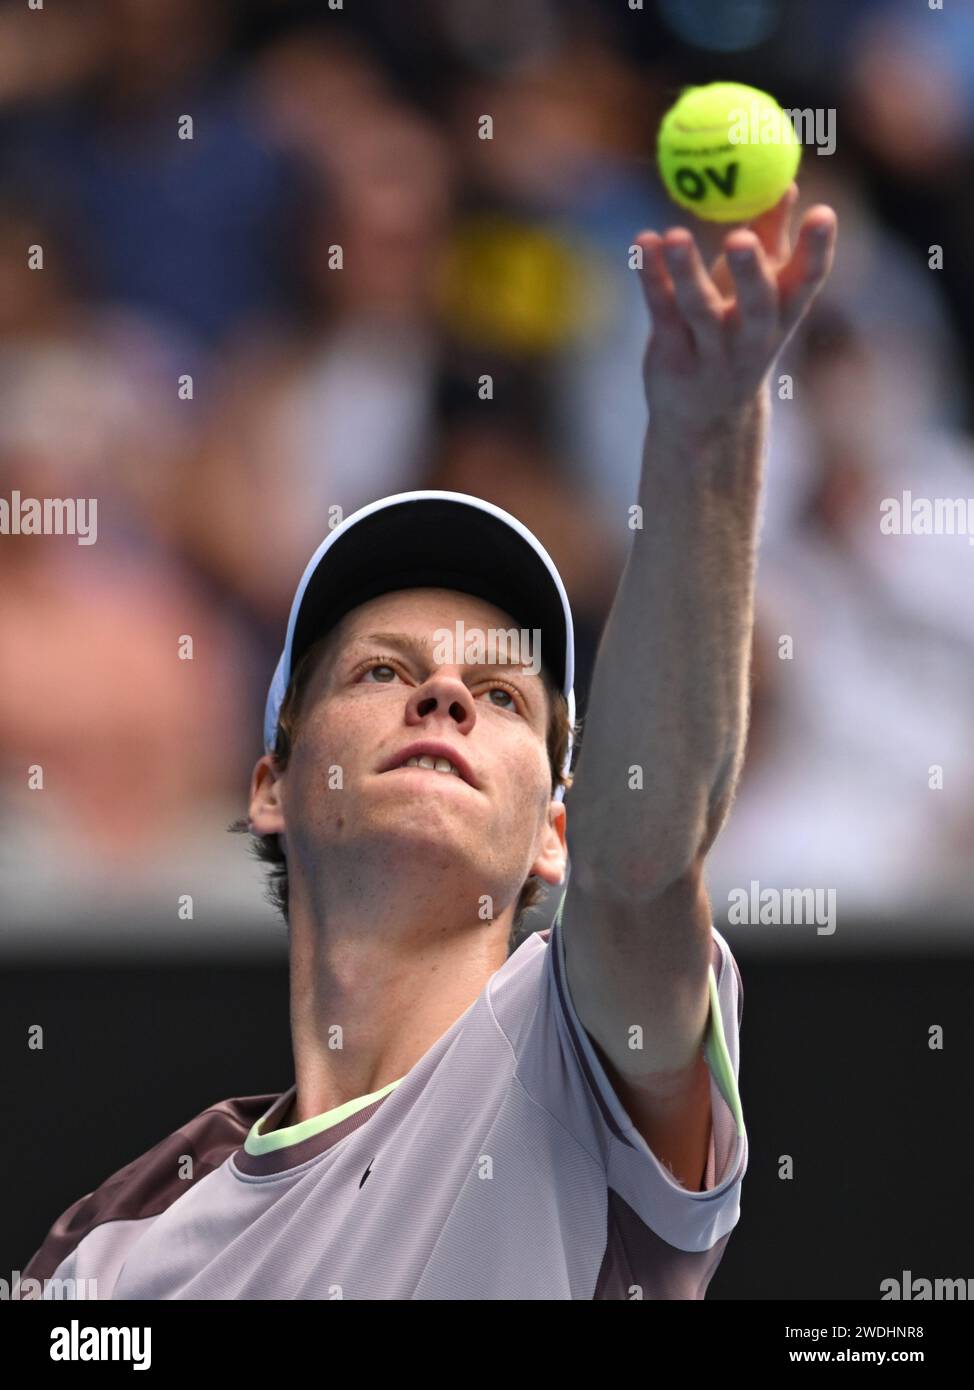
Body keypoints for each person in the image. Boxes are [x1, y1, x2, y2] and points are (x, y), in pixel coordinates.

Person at [18, 183, 836, 1300]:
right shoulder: (116, 1243)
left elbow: (643, 862)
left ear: (556, 829)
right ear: (272, 783)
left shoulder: (574, 1056)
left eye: (502, 697)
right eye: (384, 671)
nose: (445, 692)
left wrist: (702, 440)